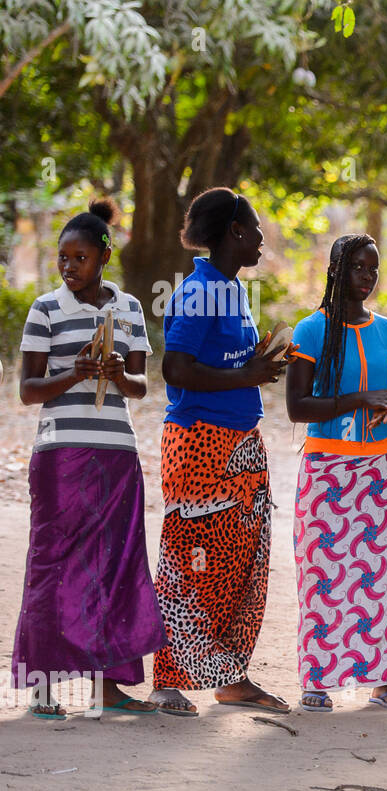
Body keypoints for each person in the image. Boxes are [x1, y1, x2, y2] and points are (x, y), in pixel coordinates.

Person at [12, 199, 166, 719]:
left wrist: (118, 375)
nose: (68, 268)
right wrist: (76, 373)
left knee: (116, 567)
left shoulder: (128, 309)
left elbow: (142, 386)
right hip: (60, 455)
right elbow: (30, 391)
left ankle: (108, 689)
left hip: (117, 454)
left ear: (104, 257)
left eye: (79, 259)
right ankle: (42, 687)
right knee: (53, 564)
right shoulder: (45, 309)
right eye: (62, 259)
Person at [149, 188, 289, 716]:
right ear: (233, 232)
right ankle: (167, 680)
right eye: (254, 229)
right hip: (201, 445)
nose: (259, 239)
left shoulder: (228, 290)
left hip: (240, 443)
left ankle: (229, 676)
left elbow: (219, 359)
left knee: (244, 563)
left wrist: (254, 362)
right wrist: (245, 374)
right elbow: (175, 369)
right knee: (193, 563)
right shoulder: (200, 291)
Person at [287, 233, 387, 712]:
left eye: (373, 270)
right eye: (357, 268)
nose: (366, 278)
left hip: (381, 470)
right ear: (336, 269)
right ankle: (317, 680)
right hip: (328, 469)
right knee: (323, 572)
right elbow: (298, 407)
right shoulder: (312, 330)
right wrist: (361, 399)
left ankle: (384, 680)